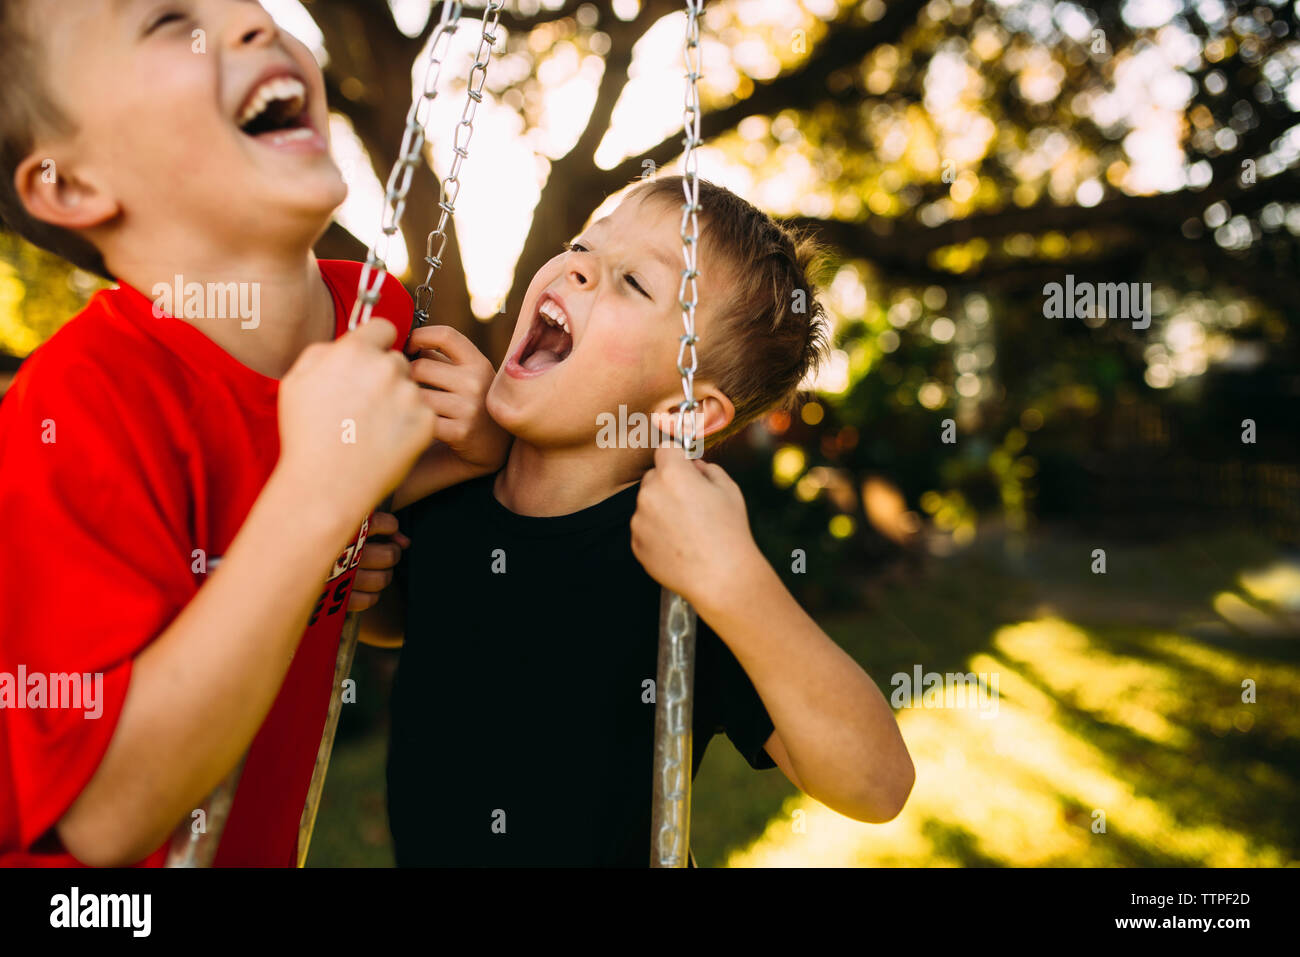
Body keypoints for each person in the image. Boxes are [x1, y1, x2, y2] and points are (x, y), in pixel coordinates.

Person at [0, 0, 507, 866]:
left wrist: (473, 460)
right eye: (168, 21)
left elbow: (374, 610)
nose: (251, 21)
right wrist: (316, 498)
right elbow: (101, 819)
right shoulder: (72, 413)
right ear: (72, 184)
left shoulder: (374, 318)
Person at [381, 177, 916, 865]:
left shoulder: (675, 566)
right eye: (584, 245)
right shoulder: (455, 493)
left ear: (687, 411)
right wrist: (453, 470)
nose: (578, 264)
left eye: (633, 282)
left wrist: (736, 581)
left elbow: (877, 784)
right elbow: (395, 619)